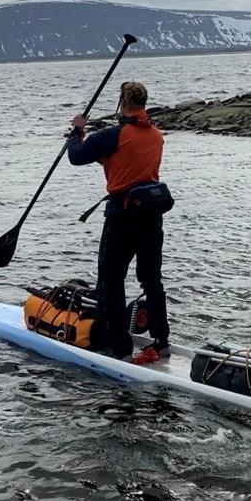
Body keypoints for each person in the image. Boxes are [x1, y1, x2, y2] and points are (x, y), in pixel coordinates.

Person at [66, 81, 170, 361]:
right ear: (143, 104)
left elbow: (75, 156)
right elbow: (131, 161)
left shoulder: (114, 134)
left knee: (111, 282)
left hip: (122, 219)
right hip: (151, 218)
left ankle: (120, 349)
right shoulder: (157, 135)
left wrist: (77, 131)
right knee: (152, 281)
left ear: (122, 103)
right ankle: (162, 341)